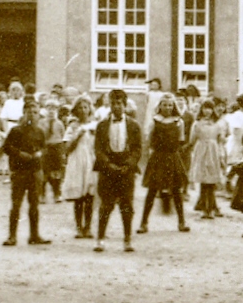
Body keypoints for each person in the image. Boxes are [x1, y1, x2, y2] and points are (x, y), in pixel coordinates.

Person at [91, 89, 143, 253]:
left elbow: (137, 149)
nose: (116, 107)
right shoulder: (102, 126)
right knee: (105, 205)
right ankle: (100, 239)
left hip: (126, 168)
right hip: (108, 168)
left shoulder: (133, 125)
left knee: (127, 205)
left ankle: (127, 239)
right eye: (113, 103)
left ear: (125, 105)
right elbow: (98, 149)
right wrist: (107, 164)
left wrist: (129, 164)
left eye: (119, 103)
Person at [1, 96, 50, 246]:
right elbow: (6, 147)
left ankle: (34, 235)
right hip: (19, 171)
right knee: (16, 204)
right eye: (29, 112)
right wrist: (19, 154)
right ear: (24, 113)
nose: (32, 115)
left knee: (34, 204)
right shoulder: (16, 131)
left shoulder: (40, 132)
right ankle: (12, 236)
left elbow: (44, 147)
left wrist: (39, 153)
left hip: (35, 171)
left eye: (35, 112)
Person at [140, 94, 190, 233]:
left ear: (173, 106)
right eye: (164, 105)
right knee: (152, 190)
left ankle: (181, 222)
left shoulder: (179, 122)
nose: (167, 108)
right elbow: (149, 140)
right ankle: (144, 222)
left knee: (176, 190)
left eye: (170, 105)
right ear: (159, 106)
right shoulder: (154, 121)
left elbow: (180, 140)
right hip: (158, 157)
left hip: (172, 156)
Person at [60, 96, 98, 239]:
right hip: (77, 161)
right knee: (78, 197)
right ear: (76, 110)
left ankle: (88, 227)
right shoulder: (72, 127)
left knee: (90, 194)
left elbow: (99, 145)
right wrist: (78, 135)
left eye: (85, 107)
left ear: (90, 109)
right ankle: (78, 227)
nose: (83, 110)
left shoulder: (94, 126)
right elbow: (67, 148)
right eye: (80, 108)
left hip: (90, 160)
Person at [189, 100, 228, 219]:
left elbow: (221, 139)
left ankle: (211, 209)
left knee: (211, 181)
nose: (207, 111)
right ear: (201, 109)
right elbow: (192, 139)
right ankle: (205, 209)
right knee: (203, 180)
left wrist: (222, 143)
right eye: (205, 108)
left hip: (213, 151)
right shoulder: (197, 123)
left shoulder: (217, 124)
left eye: (210, 108)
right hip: (201, 151)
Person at [40, 95, 68, 201]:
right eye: (49, 108)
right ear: (45, 110)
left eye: (54, 108)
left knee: (56, 172)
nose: (51, 111)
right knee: (44, 171)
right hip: (46, 147)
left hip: (56, 148)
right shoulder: (42, 123)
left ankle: (57, 193)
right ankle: (42, 194)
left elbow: (63, 137)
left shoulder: (59, 123)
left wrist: (62, 152)